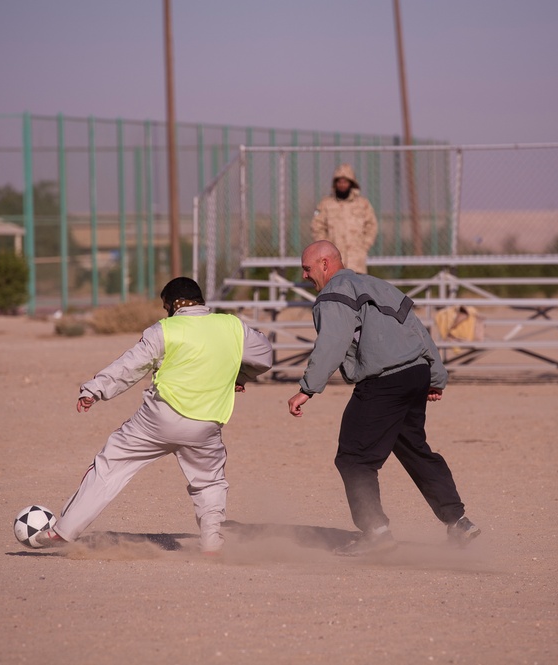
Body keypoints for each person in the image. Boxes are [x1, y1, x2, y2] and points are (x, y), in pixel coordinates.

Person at [25, 277, 273, 553]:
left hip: (158, 419)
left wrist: (95, 389)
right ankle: (212, 542)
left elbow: (131, 366)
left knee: (111, 465)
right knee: (210, 481)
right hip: (206, 423)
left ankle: (64, 531)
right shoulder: (232, 326)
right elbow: (265, 356)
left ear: (172, 305)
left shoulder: (164, 330)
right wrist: (241, 375)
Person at [287, 241, 480, 556]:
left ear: (325, 263)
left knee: (354, 459)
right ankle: (458, 522)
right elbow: (418, 330)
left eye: (307, 268)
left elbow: (332, 341)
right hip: (415, 374)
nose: (305, 276)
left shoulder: (335, 291)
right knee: (415, 449)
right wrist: (434, 375)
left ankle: (376, 532)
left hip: (384, 381)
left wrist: (308, 388)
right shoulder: (379, 285)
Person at [311, 164, 378, 274]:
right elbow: (316, 227)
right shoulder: (326, 204)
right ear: (335, 183)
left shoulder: (362, 204)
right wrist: (326, 248)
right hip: (333, 262)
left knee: (356, 290)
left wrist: (364, 246)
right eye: (339, 182)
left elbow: (371, 226)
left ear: (351, 183)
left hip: (356, 262)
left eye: (345, 182)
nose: (342, 185)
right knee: (335, 290)